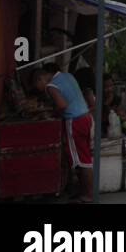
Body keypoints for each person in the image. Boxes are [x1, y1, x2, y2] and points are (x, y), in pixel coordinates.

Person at [31, 63, 93, 203]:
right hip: (86, 118)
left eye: (38, 87)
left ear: (40, 79)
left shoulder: (51, 86)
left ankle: (88, 194)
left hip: (74, 121)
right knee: (84, 155)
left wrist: (52, 113)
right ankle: (84, 190)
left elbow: (62, 105)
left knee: (81, 159)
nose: (42, 91)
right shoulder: (68, 75)